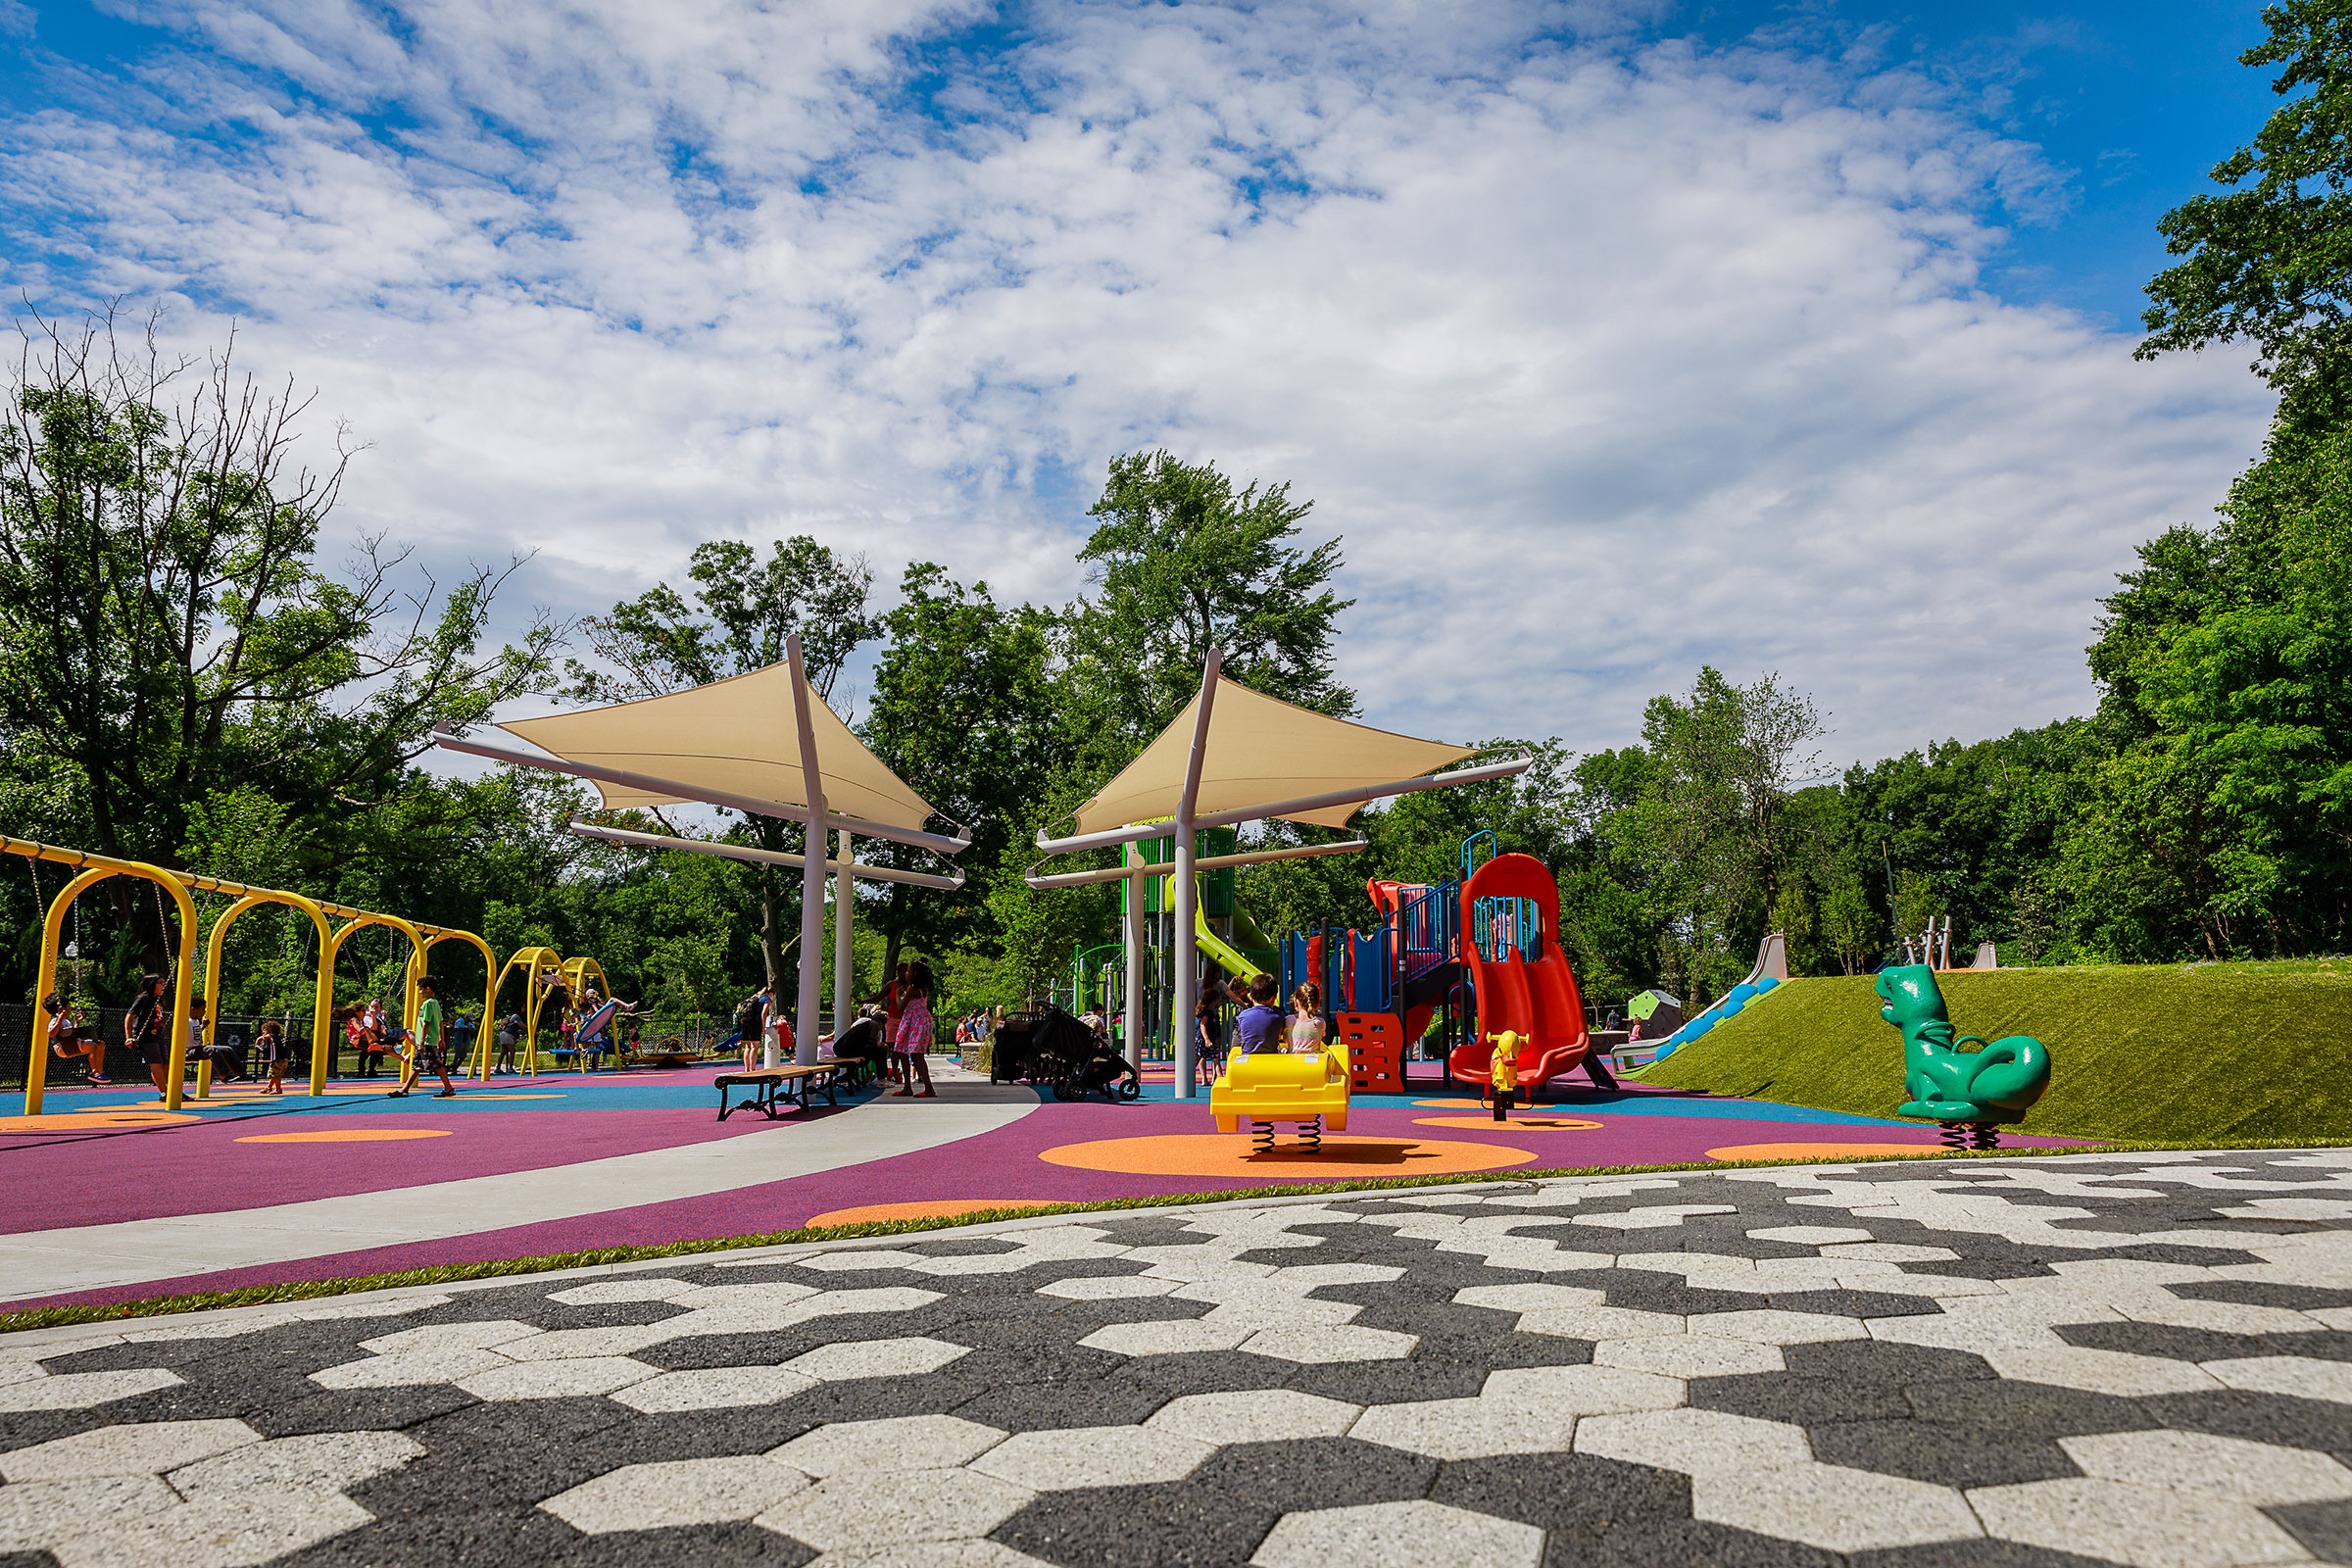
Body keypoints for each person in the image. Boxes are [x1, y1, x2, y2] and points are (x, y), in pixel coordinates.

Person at [390, 975, 458, 1099]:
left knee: (437, 1065)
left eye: (421, 989)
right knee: (417, 1065)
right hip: (428, 1040)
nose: (420, 992)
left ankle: (449, 1088)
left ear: (428, 988)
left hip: (426, 1041)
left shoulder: (428, 1004)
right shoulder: (436, 1003)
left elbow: (427, 1023)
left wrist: (421, 1042)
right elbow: (440, 1022)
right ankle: (404, 1089)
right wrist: (441, 1039)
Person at [890, 959, 936, 1098]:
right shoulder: (922, 988)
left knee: (916, 1055)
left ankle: (928, 1088)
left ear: (914, 974)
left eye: (908, 970)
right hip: (917, 1021)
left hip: (914, 1023)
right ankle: (907, 1087)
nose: (906, 973)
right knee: (904, 1053)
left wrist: (898, 994)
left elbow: (901, 1007)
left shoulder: (912, 989)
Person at [44, 992, 110, 1085]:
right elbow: (52, 1033)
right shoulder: (54, 1021)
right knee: (92, 1046)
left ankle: (100, 1071)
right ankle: (95, 1072)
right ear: (61, 1009)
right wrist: (59, 1020)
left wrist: (77, 1022)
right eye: (69, 1006)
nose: (70, 1008)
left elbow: (72, 1033)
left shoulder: (66, 1021)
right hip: (63, 1048)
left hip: (71, 1044)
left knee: (100, 1044)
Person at [124, 973, 172, 1096]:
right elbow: (129, 1016)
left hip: (158, 1036)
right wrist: (129, 1036)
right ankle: (164, 1093)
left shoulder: (158, 1000)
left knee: (166, 1064)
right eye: (160, 983)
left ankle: (172, 1091)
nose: (163, 985)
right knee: (156, 1063)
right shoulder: (144, 998)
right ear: (152, 984)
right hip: (146, 1036)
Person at [1231, 973, 1286, 1057]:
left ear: (1251, 997)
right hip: (1271, 1059)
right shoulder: (1278, 1015)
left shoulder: (1243, 1016)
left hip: (1248, 1060)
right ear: (1274, 998)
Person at [1487, 1029, 1523, 1121]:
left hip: (1509, 1078)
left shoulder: (1511, 1058)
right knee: (1500, 1064)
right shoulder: (1498, 1057)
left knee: (1511, 1066)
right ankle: (1501, 1081)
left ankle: (1509, 1082)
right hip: (1500, 1073)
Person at [1288, 983, 1327, 1057]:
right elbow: (1321, 1036)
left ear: (1296, 1001)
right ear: (1318, 1004)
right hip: (1313, 1064)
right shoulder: (1320, 1023)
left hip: (1293, 1064)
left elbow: (1285, 1038)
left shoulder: (1289, 1021)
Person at [1194, 994, 1225, 1084]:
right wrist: (1206, 1039)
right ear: (1213, 1001)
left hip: (1210, 1039)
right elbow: (1202, 1025)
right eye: (1217, 1000)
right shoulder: (1207, 1013)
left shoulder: (1211, 1012)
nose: (1218, 1002)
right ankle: (1187, 1076)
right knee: (1198, 1058)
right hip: (1204, 1039)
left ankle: (1220, 1078)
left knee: (1216, 1058)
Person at [257, 1019, 289, 1096]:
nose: (263, 1032)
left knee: (274, 1074)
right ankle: (269, 1087)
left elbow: (261, 1038)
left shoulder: (270, 1036)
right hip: (283, 1058)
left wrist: (257, 1044)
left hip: (278, 1059)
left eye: (264, 1030)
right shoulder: (276, 1038)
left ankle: (278, 1089)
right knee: (274, 1074)